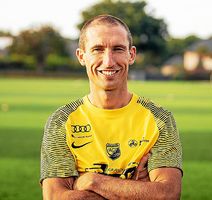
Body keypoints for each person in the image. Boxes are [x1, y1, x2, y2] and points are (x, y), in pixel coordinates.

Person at [40, 14, 183, 200]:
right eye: (98, 49)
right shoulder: (61, 121)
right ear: (81, 56)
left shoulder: (159, 119)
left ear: (131, 55)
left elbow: (168, 195)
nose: (108, 61)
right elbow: (55, 197)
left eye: (118, 49)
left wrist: (92, 181)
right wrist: (137, 189)